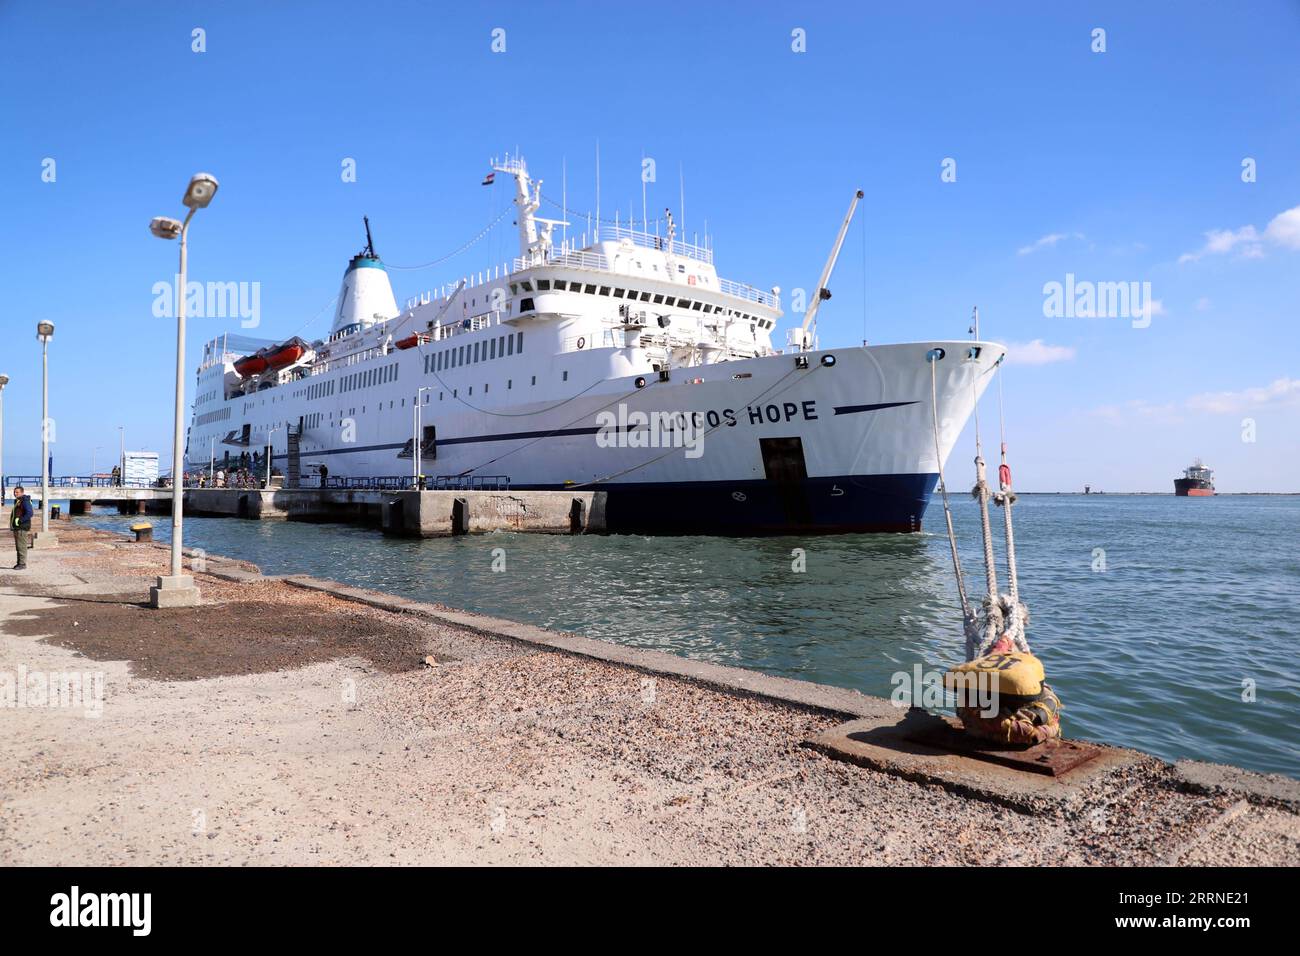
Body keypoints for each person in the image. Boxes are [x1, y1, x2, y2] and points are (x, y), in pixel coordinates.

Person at [10, 484, 33, 570]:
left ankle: (22, 564)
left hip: (22, 527)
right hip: (17, 527)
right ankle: (19, 563)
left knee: (21, 546)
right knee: (18, 546)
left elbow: (30, 513)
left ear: (22, 492)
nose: (15, 493)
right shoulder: (18, 501)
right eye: (14, 492)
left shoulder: (25, 501)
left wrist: (20, 520)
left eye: (17, 492)